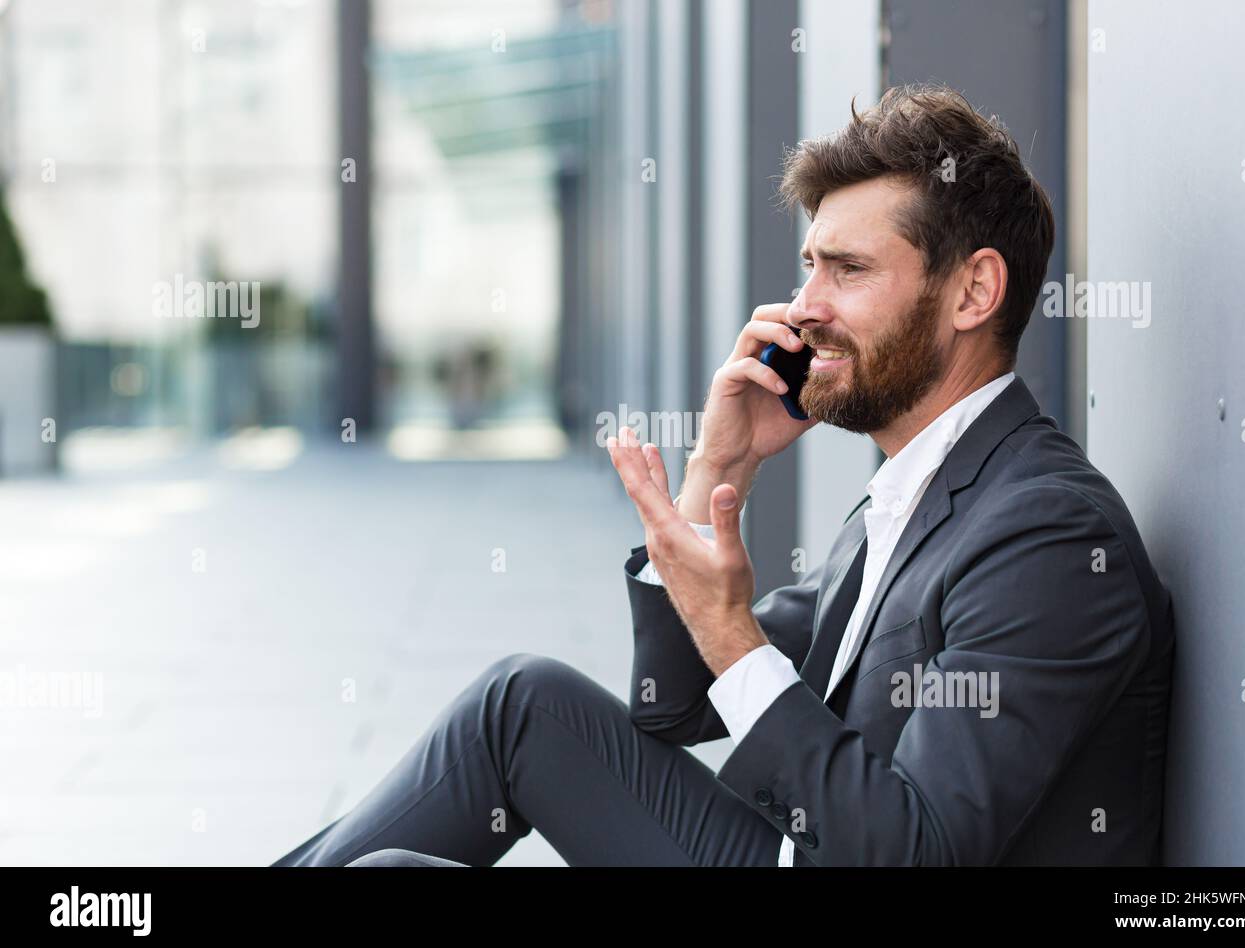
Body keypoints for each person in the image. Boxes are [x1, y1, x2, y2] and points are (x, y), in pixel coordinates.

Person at [273, 83, 1174, 867]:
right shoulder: (911, 495)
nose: (804, 308)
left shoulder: (1048, 533)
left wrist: (733, 634)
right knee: (523, 703)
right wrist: (720, 464)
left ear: (974, 293)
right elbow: (670, 706)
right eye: (809, 267)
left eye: (850, 271)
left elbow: (916, 850)